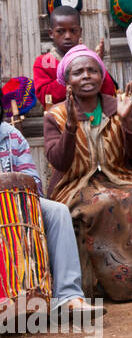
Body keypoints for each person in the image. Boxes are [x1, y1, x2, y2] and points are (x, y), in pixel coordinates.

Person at [42, 45, 132, 301]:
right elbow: (59, 161)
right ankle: (104, 289)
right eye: (78, 72)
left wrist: (127, 122)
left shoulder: (120, 106)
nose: (86, 76)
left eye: (92, 70)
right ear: (67, 80)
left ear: (102, 75)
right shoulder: (56, 115)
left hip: (119, 178)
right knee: (102, 206)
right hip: (75, 185)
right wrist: (70, 128)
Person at [0, 115, 97, 320]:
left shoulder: (10, 136)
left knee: (57, 212)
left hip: (16, 206)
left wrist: (10, 184)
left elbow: (33, 181)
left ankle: (69, 297)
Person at [33, 6, 116, 106]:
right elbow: (45, 97)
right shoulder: (44, 62)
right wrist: (72, 76)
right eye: (60, 31)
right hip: (61, 118)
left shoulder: (89, 59)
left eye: (73, 31)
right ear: (51, 33)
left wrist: (98, 64)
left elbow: (109, 91)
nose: (67, 36)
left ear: (80, 32)